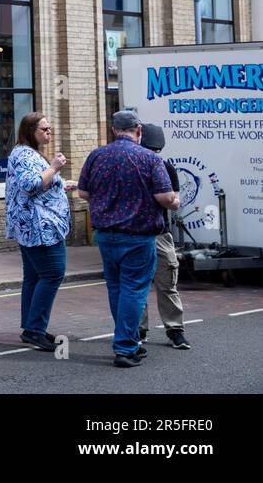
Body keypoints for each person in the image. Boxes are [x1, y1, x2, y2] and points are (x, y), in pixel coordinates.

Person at [77, 110, 176, 368]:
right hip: (138, 236)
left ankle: (130, 340)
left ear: (113, 130)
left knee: (116, 288)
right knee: (133, 290)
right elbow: (165, 198)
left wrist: (106, 199)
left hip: (106, 236)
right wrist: (175, 200)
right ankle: (125, 347)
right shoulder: (149, 159)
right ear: (139, 131)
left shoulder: (97, 156)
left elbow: (83, 193)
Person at [5, 111, 73, 351]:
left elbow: (40, 183)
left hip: (35, 226)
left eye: (49, 128)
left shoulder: (29, 153)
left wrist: (63, 184)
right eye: (44, 129)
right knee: (53, 273)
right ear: (30, 131)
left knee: (34, 277)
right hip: (39, 228)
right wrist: (54, 168)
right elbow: (30, 184)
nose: (49, 132)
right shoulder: (24, 153)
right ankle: (35, 329)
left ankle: (31, 328)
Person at [137, 123, 190, 350]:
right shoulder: (133, 166)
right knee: (137, 286)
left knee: (167, 283)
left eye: (157, 151)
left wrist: (165, 198)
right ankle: (139, 330)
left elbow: (175, 203)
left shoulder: (167, 168)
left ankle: (175, 330)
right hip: (136, 234)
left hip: (160, 234)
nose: (155, 154)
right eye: (151, 149)